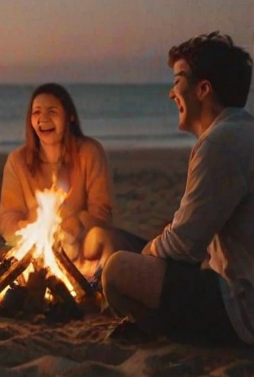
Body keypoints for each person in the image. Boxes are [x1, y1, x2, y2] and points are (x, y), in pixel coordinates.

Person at [101, 31, 254, 346]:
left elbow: (183, 246)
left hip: (240, 309)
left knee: (116, 270)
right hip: (229, 279)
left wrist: (147, 254)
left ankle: (154, 325)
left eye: (178, 80)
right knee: (110, 238)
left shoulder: (219, 143)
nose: (172, 93)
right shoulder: (240, 131)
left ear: (203, 89)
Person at [0, 83, 136, 287]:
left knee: (101, 237)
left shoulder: (89, 152)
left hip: (81, 249)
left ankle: (93, 283)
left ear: (70, 116)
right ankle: (7, 283)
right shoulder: (18, 161)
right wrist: (36, 232)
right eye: (37, 112)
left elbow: (102, 214)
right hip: (35, 250)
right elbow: (7, 218)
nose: (43, 119)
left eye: (52, 111)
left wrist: (66, 230)